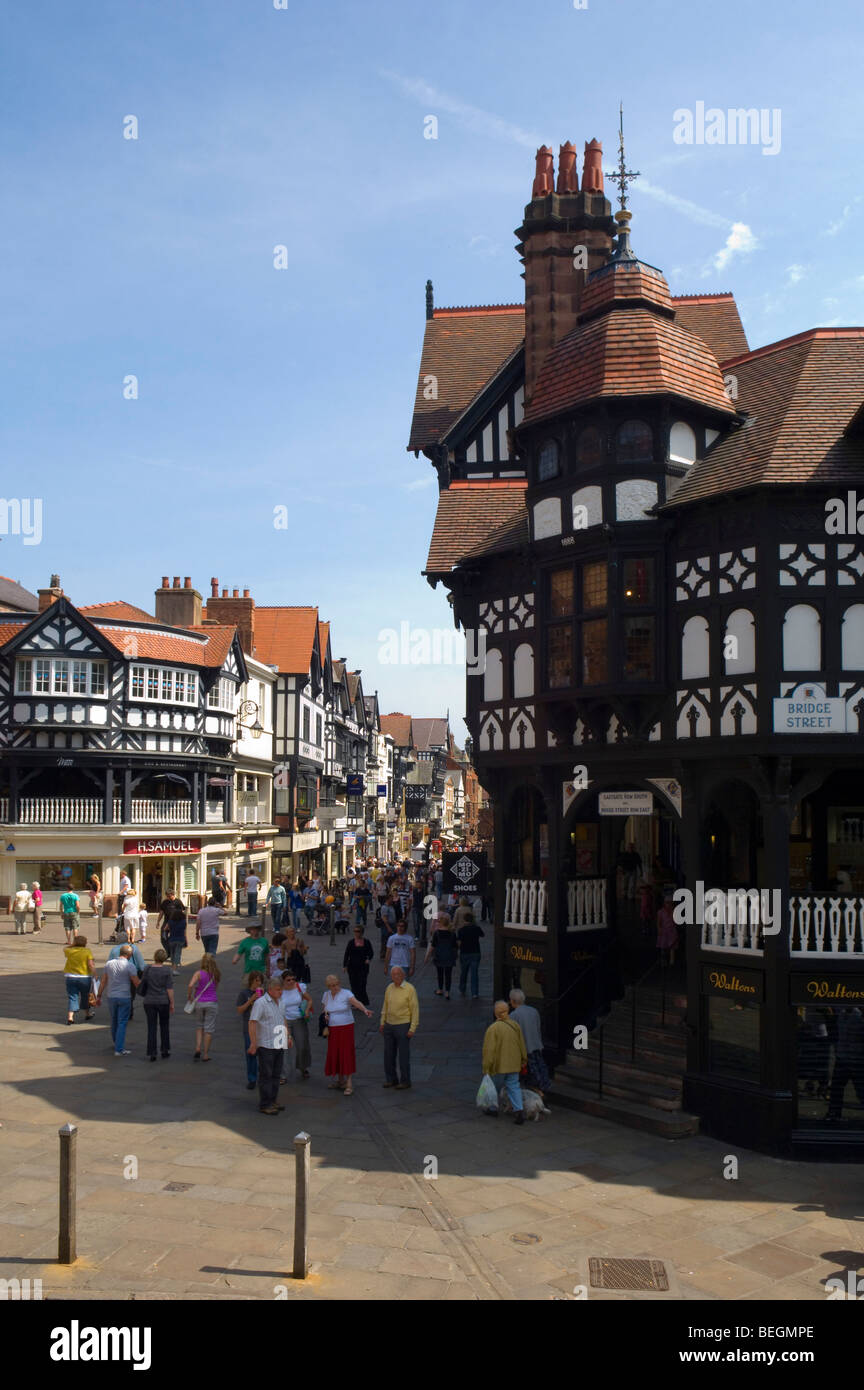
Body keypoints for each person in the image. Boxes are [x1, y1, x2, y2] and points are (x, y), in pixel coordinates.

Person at [321, 973, 372, 1096]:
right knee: (336, 1053)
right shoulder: (326, 995)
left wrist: (364, 1010)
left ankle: (349, 1082)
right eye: (332, 985)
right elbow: (324, 1009)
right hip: (333, 1029)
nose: (335, 987)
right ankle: (340, 1080)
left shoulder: (346, 993)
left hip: (345, 1027)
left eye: (337, 984)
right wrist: (325, 1015)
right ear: (328, 986)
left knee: (346, 1053)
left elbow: (356, 1002)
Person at [248, 975, 292, 1114]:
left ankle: (273, 1100)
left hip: (279, 1042)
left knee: (276, 1074)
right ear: (270, 989)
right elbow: (252, 1022)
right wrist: (254, 1043)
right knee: (266, 1075)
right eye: (278, 990)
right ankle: (265, 1103)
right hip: (266, 1044)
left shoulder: (281, 1002)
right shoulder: (261, 1003)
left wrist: (288, 1036)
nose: (281, 992)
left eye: (281, 990)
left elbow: (283, 1019)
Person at [481, 1000, 527, 1124]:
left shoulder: (493, 1028)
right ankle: (519, 1110)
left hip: (498, 1066)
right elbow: (522, 1044)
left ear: (495, 1013)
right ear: (508, 1011)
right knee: (514, 1086)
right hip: (513, 1063)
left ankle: (493, 1108)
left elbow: (489, 1051)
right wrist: (523, 1059)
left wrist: (486, 1067)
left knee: (494, 1087)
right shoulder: (515, 1025)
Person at [95, 945, 141, 1056]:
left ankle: (116, 1043)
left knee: (114, 1020)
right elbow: (136, 982)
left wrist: (99, 995)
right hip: (125, 996)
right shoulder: (130, 966)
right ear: (129, 955)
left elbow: (103, 981)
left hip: (111, 996)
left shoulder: (109, 964)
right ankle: (119, 1048)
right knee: (122, 1022)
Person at [380, 966, 419, 1089]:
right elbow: (385, 1006)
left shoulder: (410, 989)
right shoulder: (389, 988)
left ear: (403, 976)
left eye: (398, 974)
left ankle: (405, 1081)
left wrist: (412, 1028)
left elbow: (415, 1009)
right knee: (388, 1054)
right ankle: (391, 1079)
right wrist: (382, 1022)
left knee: (403, 1055)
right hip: (389, 1025)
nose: (395, 976)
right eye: (393, 975)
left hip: (403, 1024)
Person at [508, 988, 550, 1094]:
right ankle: (543, 1089)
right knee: (539, 1070)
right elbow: (538, 1027)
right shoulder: (534, 1011)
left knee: (529, 1075)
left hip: (525, 1049)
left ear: (512, 1001)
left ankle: (536, 1093)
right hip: (536, 1045)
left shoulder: (513, 1015)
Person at [139, 947, 174, 1061]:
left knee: (151, 1027)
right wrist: (172, 1002)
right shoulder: (167, 971)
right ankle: (165, 1050)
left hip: (149, 1001)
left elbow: (142, 983)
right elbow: (169, 988)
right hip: (163, 1001)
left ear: (155, 957)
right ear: (164, 959)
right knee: (164, 1026)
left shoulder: (147, 969)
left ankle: (152, 1052)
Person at [280, 969, 312, 1078]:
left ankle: (303, 1067)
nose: (291, 981)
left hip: (299, 1020)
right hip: (284, 1021)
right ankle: (283, 1075)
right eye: (288, 980)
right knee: (284, 1048)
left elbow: (309, 1000)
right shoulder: (279, 991)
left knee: (302, 1046)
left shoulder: (299, 987)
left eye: (293, 979)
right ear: (283, 981)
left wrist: (307, 1010)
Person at [236, 970, 265, 1090]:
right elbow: (240, 1010)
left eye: (260, 981)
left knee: (263, 1053)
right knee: (251, 1052)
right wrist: (251, 999)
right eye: (256, 980)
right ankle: (252, 1078)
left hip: (262, 1026)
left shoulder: (264, 994)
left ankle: (263, 1075)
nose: (258, 983)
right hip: (249, 1027)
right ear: (251, 981)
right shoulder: (244, 993)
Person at [188, 954, 220, 1061]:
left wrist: (190, 996)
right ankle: (205, 1054)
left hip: (199, 1002)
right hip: (212, 1002)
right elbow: (215, 988)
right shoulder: (216, 974)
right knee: (208, 1029)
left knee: (199, 1026)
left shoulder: (198, 973)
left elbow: (190, 985)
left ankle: (197, 1048)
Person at [63, 933, 97, 1024]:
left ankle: (70, 1017)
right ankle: (87, 1014)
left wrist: (73, 945)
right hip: (84, 977)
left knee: (72, 996)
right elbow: (90, 964)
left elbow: (65, 949)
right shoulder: (87, 951)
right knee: (85, 996)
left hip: (71, 977)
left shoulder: (70, 951)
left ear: (75, 942)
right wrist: (95, 973)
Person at [427, 911, 458, 998]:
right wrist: (456, 956)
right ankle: (447, 991)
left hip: (439, 956)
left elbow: (432, 946)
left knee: (440, 973)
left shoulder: (437, 933)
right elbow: (455, 946)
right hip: (449, 956)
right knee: (448, 975)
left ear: (440, 923)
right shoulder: (452, 934)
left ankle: (440, 989)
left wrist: (427, 957)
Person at [456, 911, 485, 999]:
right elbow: (482, 935)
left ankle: (462, 988)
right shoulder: (476, 928)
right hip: (475, 952)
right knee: (474, 974)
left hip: (464, 953)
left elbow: (459, 943)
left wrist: (457, 951)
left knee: (464, 972)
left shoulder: (461, 930)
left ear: (464, 920)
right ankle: (474, 992)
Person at [343, 925, 374, 1005]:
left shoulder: (366, 942)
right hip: (352, 967)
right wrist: (345, 966)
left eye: (358, 931)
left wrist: (368, 959)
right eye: (355, 931)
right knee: (354, 985)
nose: (356, 933)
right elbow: (347, 954)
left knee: (362, 984)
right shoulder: (351, 942)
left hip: (363, 967)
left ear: (362, 932)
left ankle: (363, 1001)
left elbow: (371, 952)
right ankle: (356, 1002)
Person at [656, 892, 679, 966]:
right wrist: (659, 928)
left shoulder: (674, 911)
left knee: (672, 947)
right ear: (664, 903)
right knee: (663, 946)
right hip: (664, 932)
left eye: (671, 903)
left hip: (672, 931)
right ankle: (664, 959)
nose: (669, 905)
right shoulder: (661, 912)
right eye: (667, 903)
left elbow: (676, 921)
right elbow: (659, 921)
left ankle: (672, 961)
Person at [167, 898, 188, 972]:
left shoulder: (171, 920)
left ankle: (173, 966)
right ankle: (175, 968)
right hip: (180, 938)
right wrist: (186, 939)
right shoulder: (183, 920)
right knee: (178, 953)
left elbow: (166, 928)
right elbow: (184, 930)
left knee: (172, 953)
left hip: (172, 938)